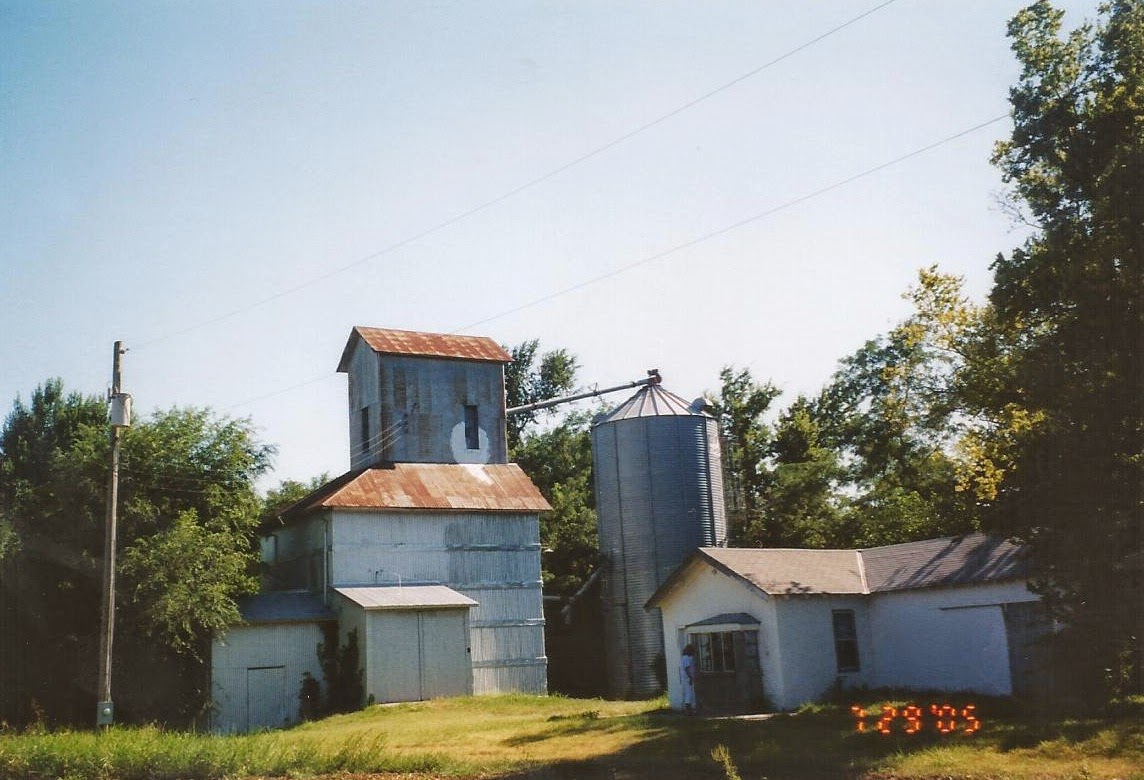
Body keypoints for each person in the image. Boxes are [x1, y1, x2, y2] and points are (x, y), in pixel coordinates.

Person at [680, 643, 696, 714]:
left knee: (689, 693)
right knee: (688, 694)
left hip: (687, 678)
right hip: (687, 678)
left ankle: (691, 709)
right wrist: (690, 677)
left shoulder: (686, 657)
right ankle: (688, 710)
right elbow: (687, 668)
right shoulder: (686, 658)